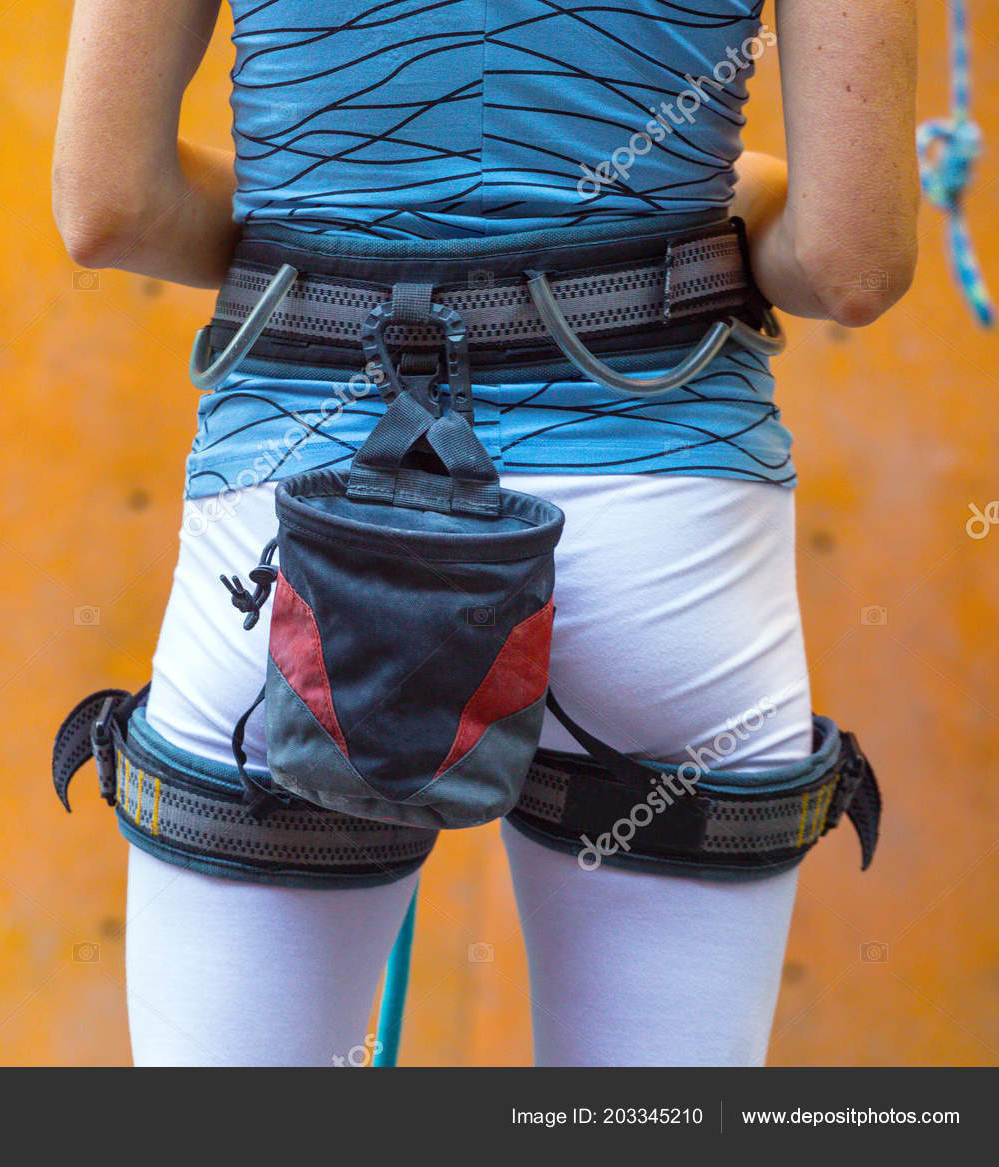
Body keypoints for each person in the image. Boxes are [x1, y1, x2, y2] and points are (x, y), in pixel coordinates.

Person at [52, 0, 917, 1066]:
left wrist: (344, 226)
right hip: (667, 550)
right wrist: (677, 210)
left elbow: (111, 207)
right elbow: (848, 262)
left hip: (305, 542)